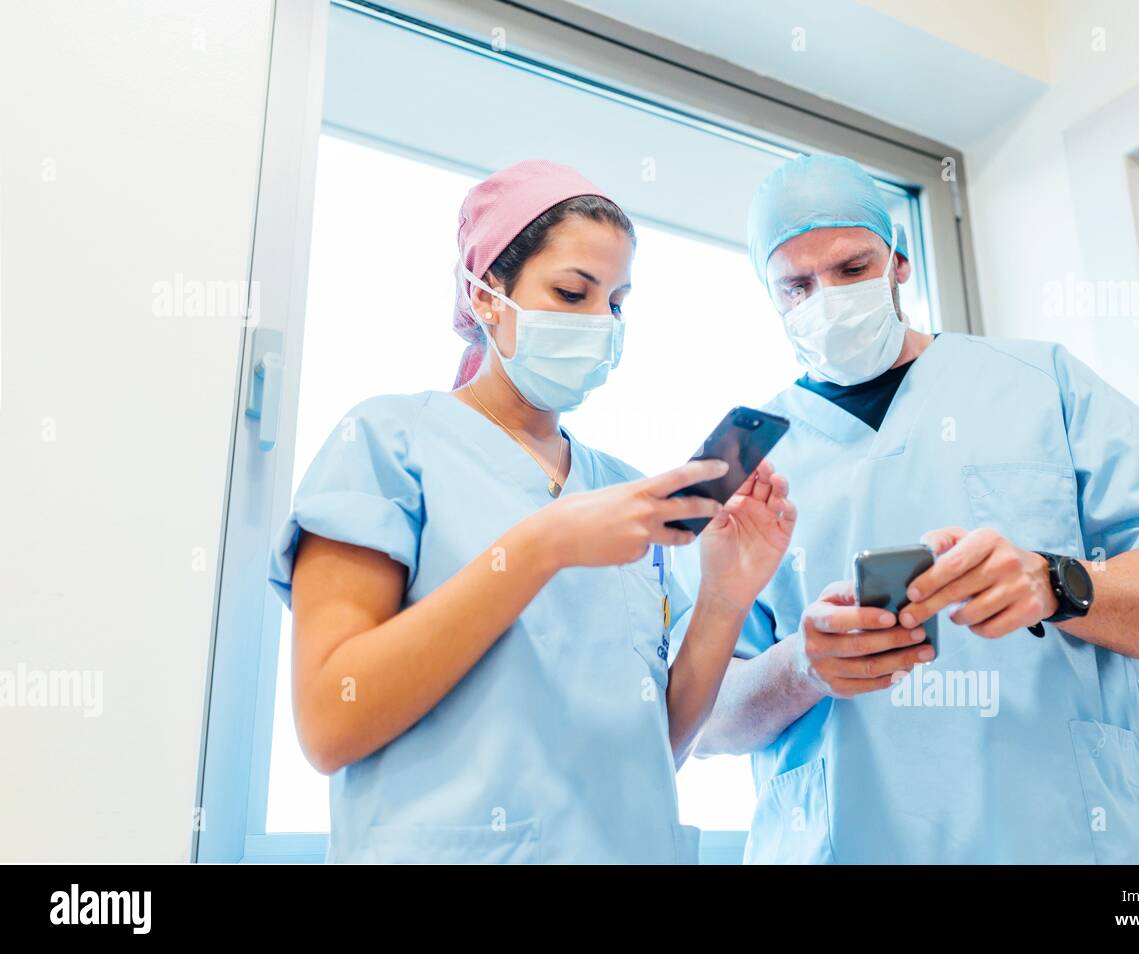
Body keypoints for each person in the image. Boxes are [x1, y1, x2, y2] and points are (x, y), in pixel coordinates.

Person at [671, 153, 1139, 864]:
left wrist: (1054, 583)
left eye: (852, 269)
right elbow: (698, 724)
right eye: (796, 285)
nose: (826, 298)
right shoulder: (736, 456)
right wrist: (805, 667)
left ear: (900, 263)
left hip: (1075, 837)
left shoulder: (1043, 382)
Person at [268, 160, 796, 863]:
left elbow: (652, 752)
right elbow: (332, 720)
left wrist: (725, 597)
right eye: (572, 292)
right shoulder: (389, 445)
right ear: (487, 295)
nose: (601, 323)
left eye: (616, 302)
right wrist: (544, 543)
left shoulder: (623, 489)